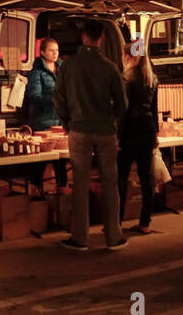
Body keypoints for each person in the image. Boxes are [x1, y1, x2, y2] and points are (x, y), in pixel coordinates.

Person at [54, 20, 128, 252]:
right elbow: (123, 104)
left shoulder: (68, 66)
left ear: (83, 36)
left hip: (78, 129)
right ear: (102, 38)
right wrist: (113, 119)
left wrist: (66, 121)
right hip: (106, 130)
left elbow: (59, 97)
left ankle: (80, 237)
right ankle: (114, 236)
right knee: (110, 182)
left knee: (81, 182)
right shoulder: (110, 67)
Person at [116, 41, 159, 235]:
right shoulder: (152, 78)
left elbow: (123, 111)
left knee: (121, 177)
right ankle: (145, 222)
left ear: (127, 56)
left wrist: (118, 136)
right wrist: (156, 133)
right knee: (146, 177)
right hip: (148, 130)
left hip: (130, 132)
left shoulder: (126, 77)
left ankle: (117, 222)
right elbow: (154, 109)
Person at [25, 38, 66, 194]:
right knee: (39, 163)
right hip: (42, 123)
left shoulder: (62, 68)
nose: (55, 53)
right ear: (42, 52)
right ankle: (36, 196)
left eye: (57, 50)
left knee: (61, 163)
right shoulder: (37, 72)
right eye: (51, 50)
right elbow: (34, 96)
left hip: (59, 123)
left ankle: (62, 196)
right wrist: (55, 100)